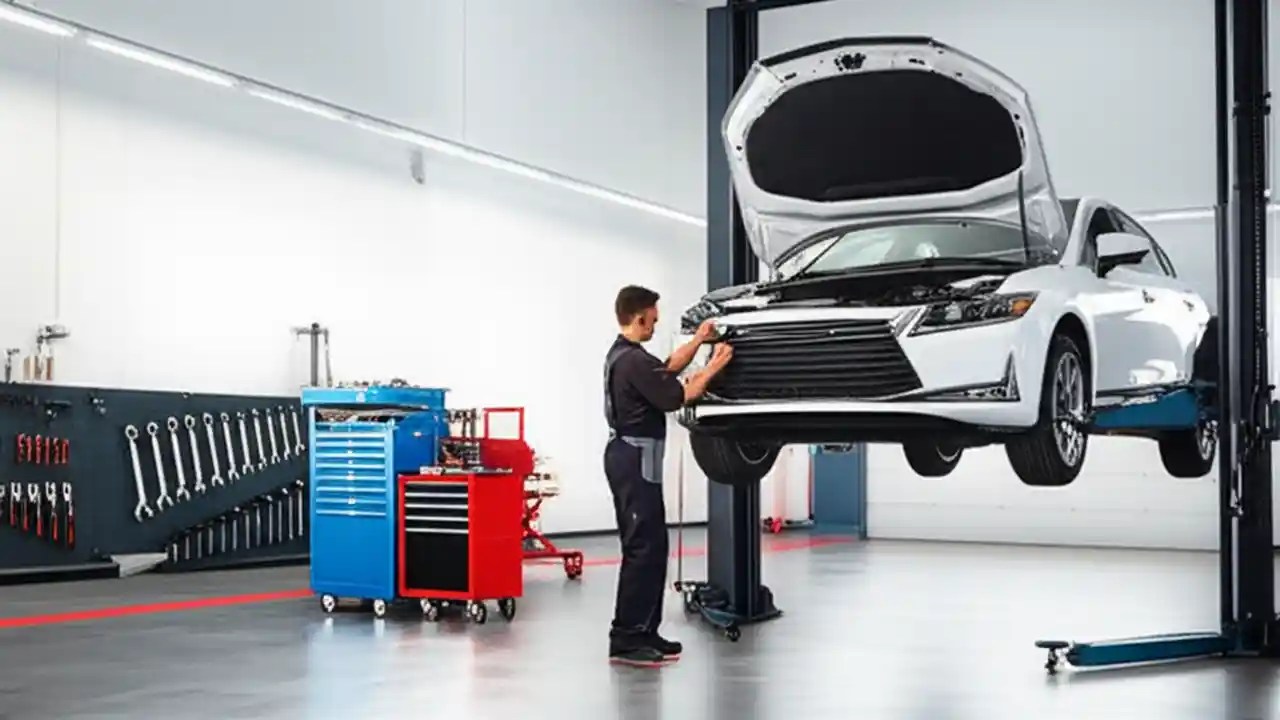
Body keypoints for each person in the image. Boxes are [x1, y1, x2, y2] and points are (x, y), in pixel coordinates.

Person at [603, 284, 734, 667]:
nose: (655, 325)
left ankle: (646, 631)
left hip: (634, 458)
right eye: (654, 319)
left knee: (653, 545)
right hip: (634, 461)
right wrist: (716, 365)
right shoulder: (632, 361)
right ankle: (626, 639)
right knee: (643, 548)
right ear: (640, 316)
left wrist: (699, 340)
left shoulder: (627, 355)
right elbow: (679, 395)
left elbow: (667, 369)